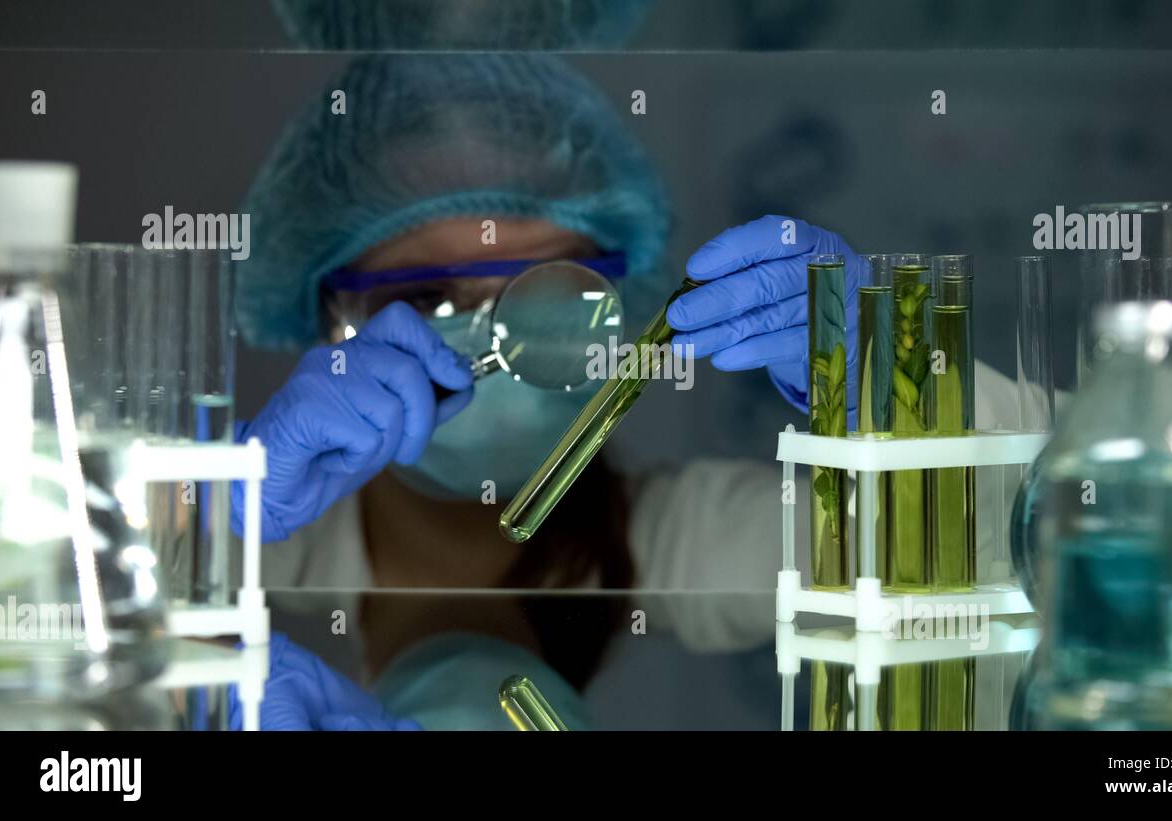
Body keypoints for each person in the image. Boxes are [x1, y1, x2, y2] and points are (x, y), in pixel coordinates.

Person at [231, 54, 1024, 726]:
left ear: (622, 310)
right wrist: (213, 508)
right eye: (432, 293)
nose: (498, 336)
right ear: (328, 314)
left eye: (550, 293)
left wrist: (902, 397)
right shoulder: (249, 532)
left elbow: (1052, 551)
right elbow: (104, 586)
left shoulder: (684, 539)